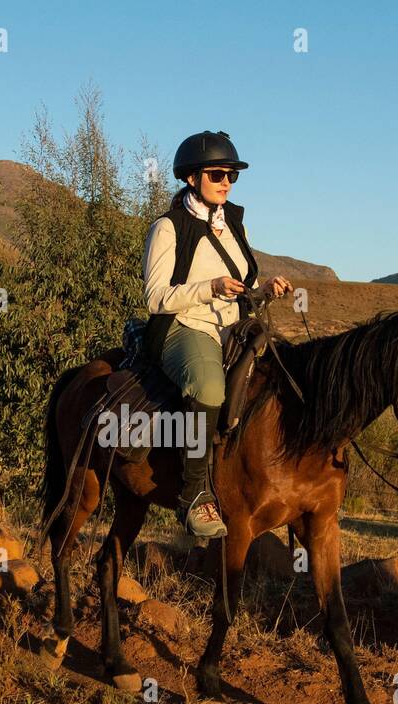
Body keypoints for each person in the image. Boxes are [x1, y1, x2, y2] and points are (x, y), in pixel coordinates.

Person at [142, 131, 292, 538]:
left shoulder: (234, 225)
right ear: (192, 178)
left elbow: (238, 287)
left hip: (233, 327)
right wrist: (210, 288)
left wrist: (263, 293)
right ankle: (195, 495)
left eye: (232, 175)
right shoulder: (168, 228)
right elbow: (156, 297)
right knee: (209, 387)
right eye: (217, 174)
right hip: (184, 326)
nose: (226, 181)